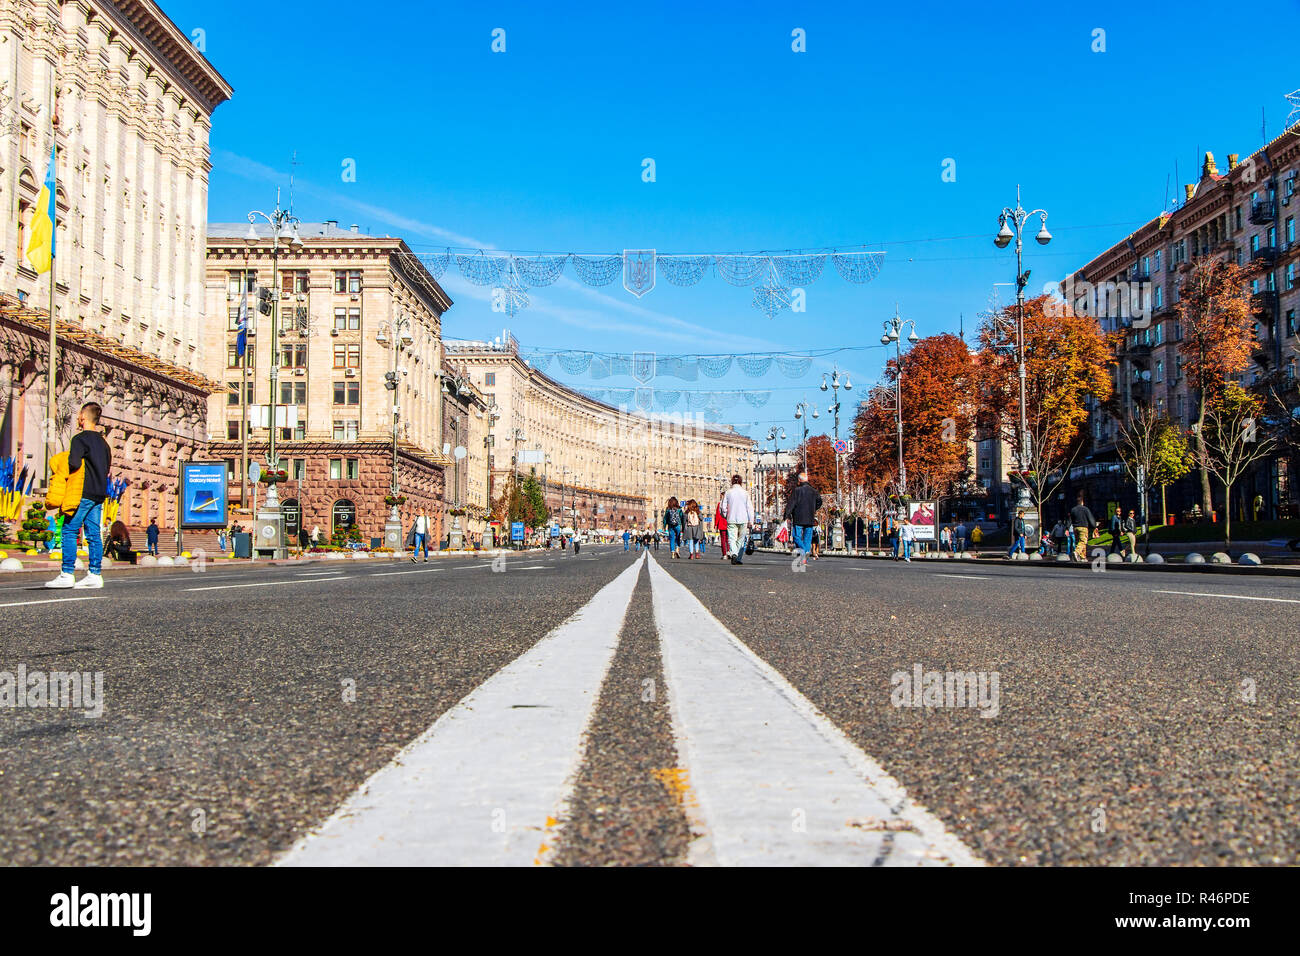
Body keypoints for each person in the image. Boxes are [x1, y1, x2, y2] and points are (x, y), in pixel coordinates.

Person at [45, 401, 110, 589]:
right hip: (99, 494)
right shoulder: (104, 444)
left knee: (69, 530)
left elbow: (73, 463)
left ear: (82, 417)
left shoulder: (80, 439)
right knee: (93, 535)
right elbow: (106, 468)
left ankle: (66, 573)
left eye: (79, 416)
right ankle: (95, 574)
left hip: (82, 492)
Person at [783, 472, 821, 559]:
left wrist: (787, 515)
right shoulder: (814, 491)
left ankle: (803, 550)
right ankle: (806, 553)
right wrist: (813, 509)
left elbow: (791, 504)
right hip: (810, 518)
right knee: (808, 538)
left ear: (799, 480)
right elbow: (819, 502)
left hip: (798, 518)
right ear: (807, 479)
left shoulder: (797, 491)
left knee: (796, 536)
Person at [721, 474, 755, 566]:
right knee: (741, 539)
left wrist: (725, 515)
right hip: (743, 519)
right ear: (741, 482)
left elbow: (723, 507)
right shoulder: (745, 493)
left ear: (732, 481)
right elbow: (750, 508)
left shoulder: (728, 492)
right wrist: (751, 521)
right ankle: (738, 558)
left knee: (732, 538)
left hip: (731, 518)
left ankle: (734, 554)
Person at [1070, 493, 1098, 562]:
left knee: (1079, 542)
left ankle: (1083, 557)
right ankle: (1076, 552)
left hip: (1075, 528)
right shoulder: (1085, 509)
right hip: (1083, 527)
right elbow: (1090, 519)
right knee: (1083, 541)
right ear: (1082, 502)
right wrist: (1094, 526)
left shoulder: (1073, 510)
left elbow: (1071, 519)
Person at [715, 494, 729, 561]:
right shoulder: (730, 504)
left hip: (722, 524)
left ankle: (724, 554)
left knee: (723, 540)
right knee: (729, 539)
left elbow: (717, 515)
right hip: (729, 523)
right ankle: (729, 552)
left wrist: (716, 524)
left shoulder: (720, 504)